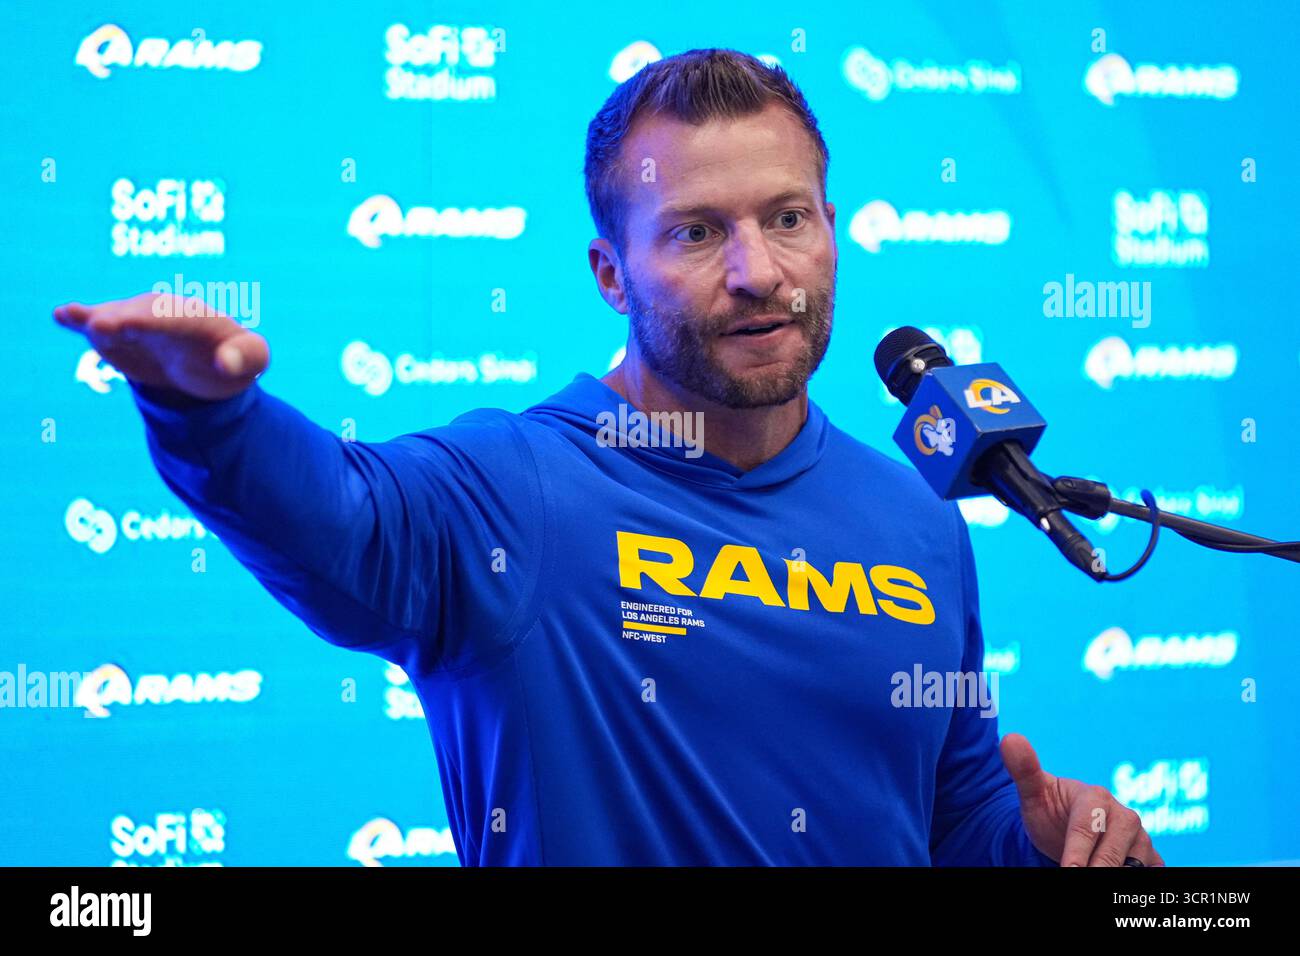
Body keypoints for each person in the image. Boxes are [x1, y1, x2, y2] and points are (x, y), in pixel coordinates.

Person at [53, 48, 1162, 867]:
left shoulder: (916, 517)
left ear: (832, 227)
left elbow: (957, 824)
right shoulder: (510, 489)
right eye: (694, 231)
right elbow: (337, 515)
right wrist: (208, 412)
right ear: (608, 273)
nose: (758, 271)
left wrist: (1073, 854)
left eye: (786, 219)